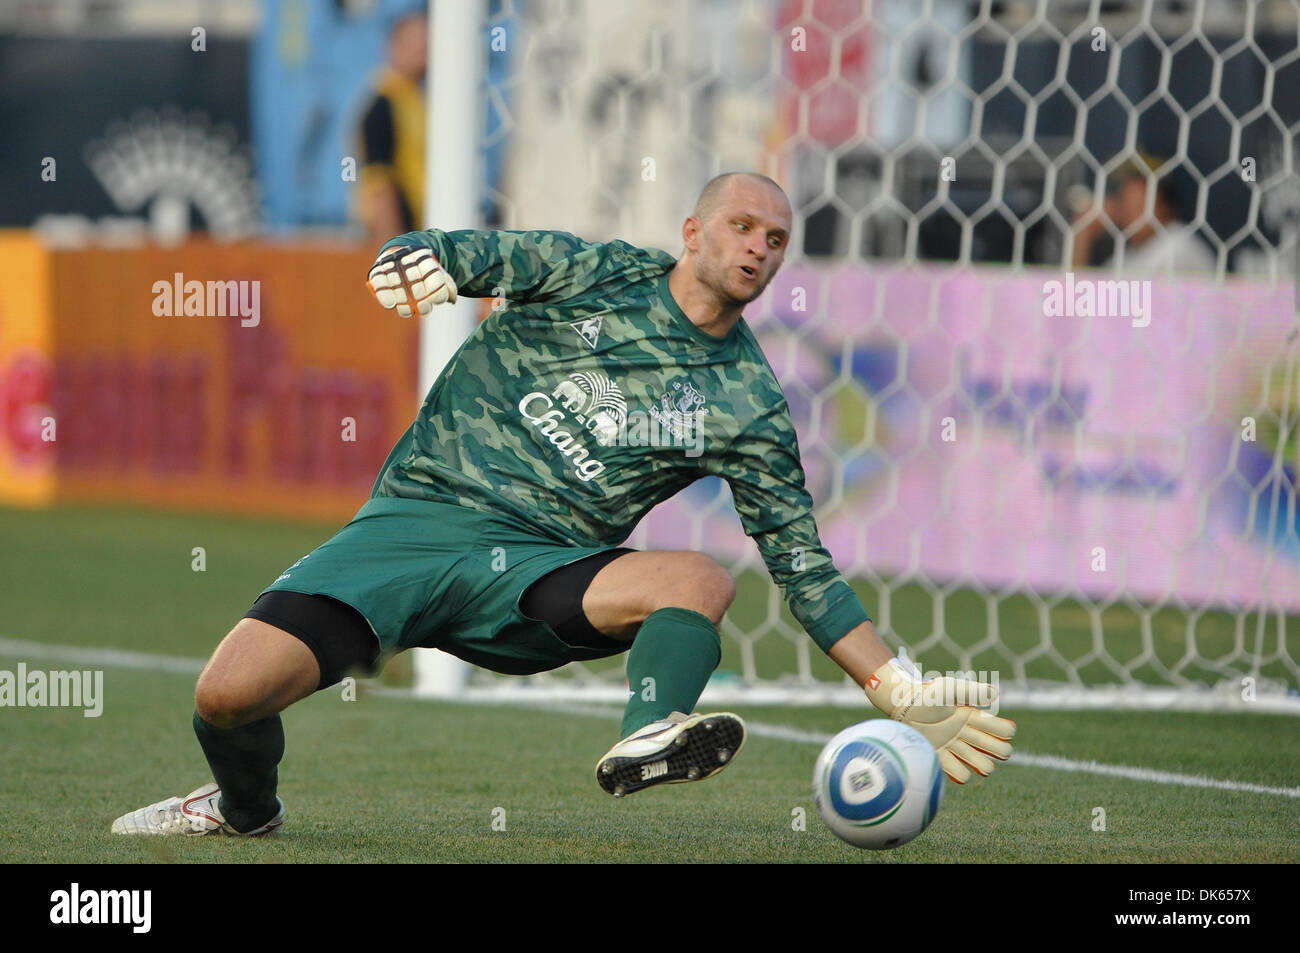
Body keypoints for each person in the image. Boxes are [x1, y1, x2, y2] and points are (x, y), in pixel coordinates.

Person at [112, 173, 1016, 836]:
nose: (757, 249)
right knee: (225, 696)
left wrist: (892, 686)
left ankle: (649, 730)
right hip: (413, 527)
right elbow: (470, 252)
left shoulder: (747, 403)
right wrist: (414, 261)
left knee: (699, 578)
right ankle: (245, 813)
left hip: (539, 576)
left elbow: (802, 562)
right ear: (694, 230)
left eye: (776, 242)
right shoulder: (598, 272)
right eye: (742, 227)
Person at [1071, 155, 1216, 275]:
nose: (1129, 215)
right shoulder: (1131, 254)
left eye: (1139, 206)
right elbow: (1084, 300)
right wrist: (1083, 234)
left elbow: (1103, 303)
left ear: (1165, 207)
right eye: (1126, 206)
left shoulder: (1176, 247)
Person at [355, 8, 428, 245]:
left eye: (426, 43)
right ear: (393, 47)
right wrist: (394, 250)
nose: (422, 51)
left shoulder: (415, 100)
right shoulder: (382, 107)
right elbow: (379, 185)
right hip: (405, 240)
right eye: (414, 43)